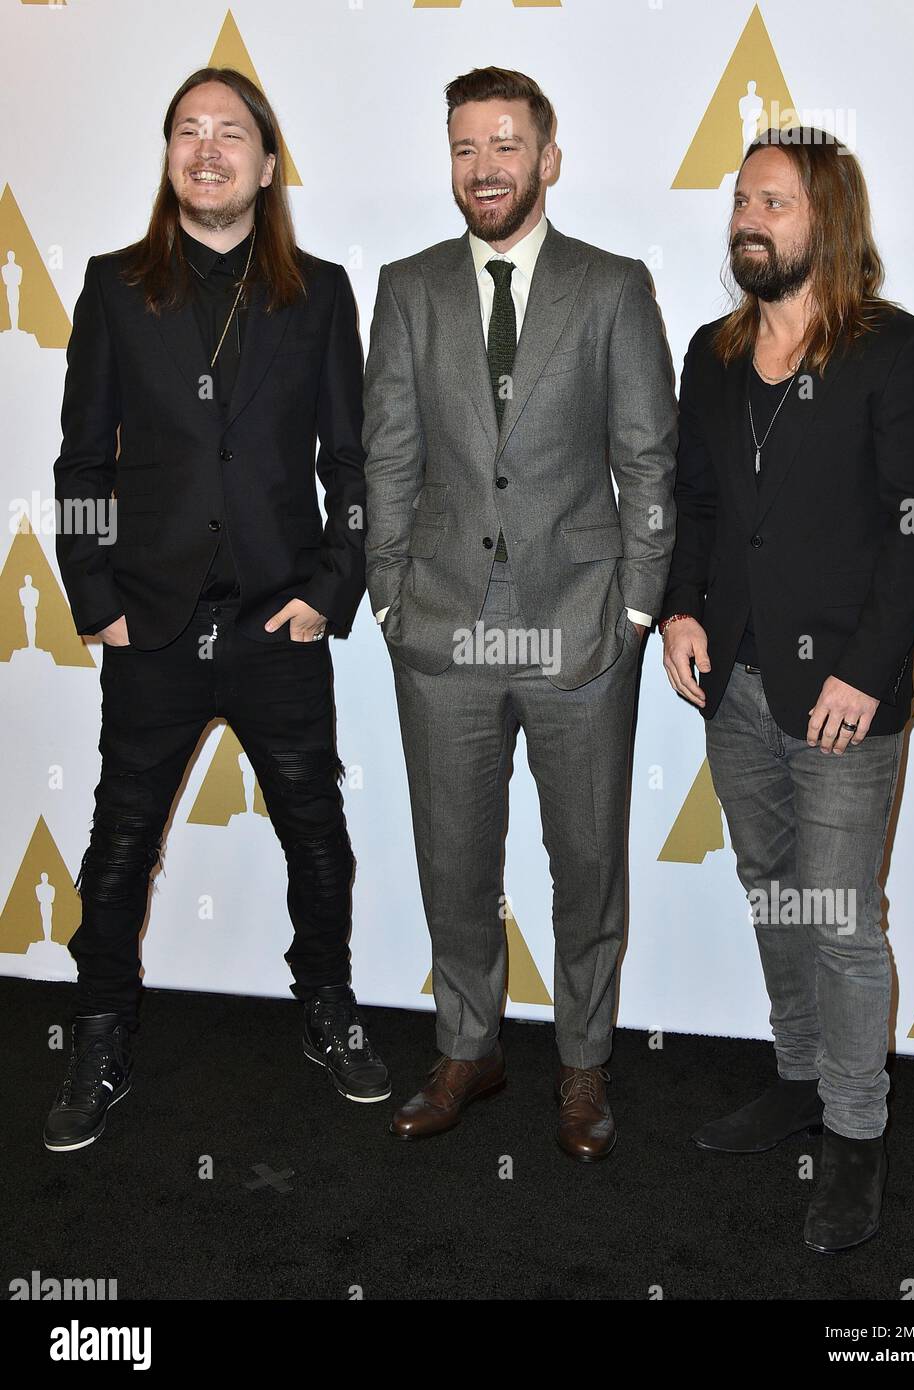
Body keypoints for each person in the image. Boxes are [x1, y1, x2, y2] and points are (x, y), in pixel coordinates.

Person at [48, 66, 389, 1152]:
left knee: (319, 842)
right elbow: (82, 464)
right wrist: (95, 598)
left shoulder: (319, 293)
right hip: (149, 625)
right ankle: (99, 1033)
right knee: (116, 847)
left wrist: (328, 594)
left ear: (267, 162)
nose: (207, 150)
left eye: (229, 133)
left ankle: (324, 1006)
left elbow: (356, 467)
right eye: (187, 133)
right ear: (166, 158)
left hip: (275, 624)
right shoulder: (112, 287)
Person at [363, 67, 677, 1160]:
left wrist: (633, 614)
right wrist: (392, 600)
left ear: (547, 157)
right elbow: (388, 460)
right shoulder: (407, 288)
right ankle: (468, 1048)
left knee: (585, 860)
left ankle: (582, 1069)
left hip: (581, 634)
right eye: (463, 147)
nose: (482, 167)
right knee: (454, 859)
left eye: (504, 144)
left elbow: (647, 461)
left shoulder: (611, 287)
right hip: (439, 632)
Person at [660, 128, 914, 1249]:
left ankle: (855, 1131)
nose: (746, 216)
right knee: (768, 886)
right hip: (729, 680)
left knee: (836, 918)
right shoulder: (711, 350)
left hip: (841, 691)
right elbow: (694, 502)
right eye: (740, 199)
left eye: (771, 202)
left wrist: (866, 674)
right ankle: (797, 1076)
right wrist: (680, 606)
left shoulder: (900, 353)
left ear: (823, 221)